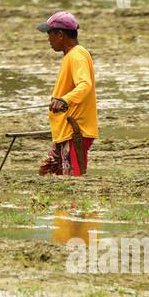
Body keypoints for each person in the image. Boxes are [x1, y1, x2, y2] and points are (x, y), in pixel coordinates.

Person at [38, 11, 97, 176]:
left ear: (60, 34)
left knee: (73, 183)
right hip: (64, 132)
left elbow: (85, 84)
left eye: (49, 34)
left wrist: (64, 100)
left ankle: (75, 203)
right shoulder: (71, 56)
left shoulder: (77, 56)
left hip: (74, 132)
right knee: (47, 173)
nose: (48, 39)